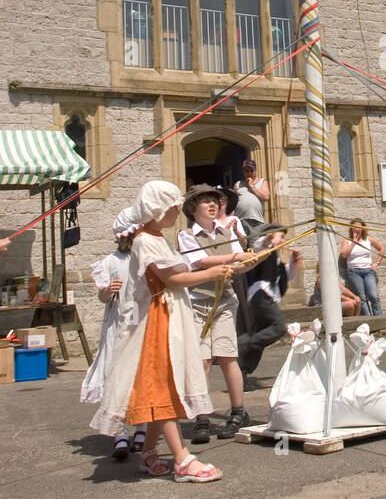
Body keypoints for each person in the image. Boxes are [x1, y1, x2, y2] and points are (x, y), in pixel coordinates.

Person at [89, 181, 235, 482]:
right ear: (155, 210)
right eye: (169, 208)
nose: (174, 213)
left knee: (164, 382)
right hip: (157, 319)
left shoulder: (157, 237)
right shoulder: (145, 241)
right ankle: (181, 457)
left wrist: (230, 263)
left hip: (168, 314)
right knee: (162, 383)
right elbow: (170, 277)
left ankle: (149, 452)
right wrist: (209, 273)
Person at [177, 185, 249, 443]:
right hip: (198, 303)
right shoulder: (186, 236)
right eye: (204, 201)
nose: (212, 205)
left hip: (225, 302)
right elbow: (198, 261)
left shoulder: (227, 232)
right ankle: (202, 417)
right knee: (203, 361)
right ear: (192, 209)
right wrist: (235, 256)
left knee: (228, 356)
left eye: (214, 201)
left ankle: (238, 412)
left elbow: (236, 266)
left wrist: (248, 261)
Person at [80, 211, 144, 461]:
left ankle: (142, 428)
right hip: (118, 325)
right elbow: (103, 297)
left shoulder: (144, 258)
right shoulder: (110, 261)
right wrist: (108, 291)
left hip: (141, 321)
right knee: (116, 375)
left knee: (140, 375)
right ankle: (120, 433)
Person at [238, 223, 302, 385]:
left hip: (268, 296)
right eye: (281, 236)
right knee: (278, 327)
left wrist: (294, 261)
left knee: (260, 334)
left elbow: (287, 277)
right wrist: (270, 239)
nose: (283, 240)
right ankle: (244, 343)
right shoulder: (264, 249)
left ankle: (243, 371)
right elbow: (260, 244)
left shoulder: (277, 260)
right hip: (261, 294)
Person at [340, 219, 384, 317]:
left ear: (363, 229)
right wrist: (354, 242)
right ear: (351, 229)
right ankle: (369, 321)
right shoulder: (347, 241)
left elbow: (381, 249)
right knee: (362, 298)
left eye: (359, 227)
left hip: (368, 271)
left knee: (374, 296)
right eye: (354, 227)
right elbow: (343, 255)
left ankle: (378, 318)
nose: (356, 229)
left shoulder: (368, 239)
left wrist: (377, 263)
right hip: (354, 272)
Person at [233, 159, 269, 225]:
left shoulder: (262, 181)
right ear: (243, 172)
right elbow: (234, 203)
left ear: (255, 171)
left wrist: (252, 186)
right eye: (246, 171)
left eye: (251, 170)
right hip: (240, 220)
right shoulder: (237, 184)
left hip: (256, 220)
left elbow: (266, 197)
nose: (249, 173)